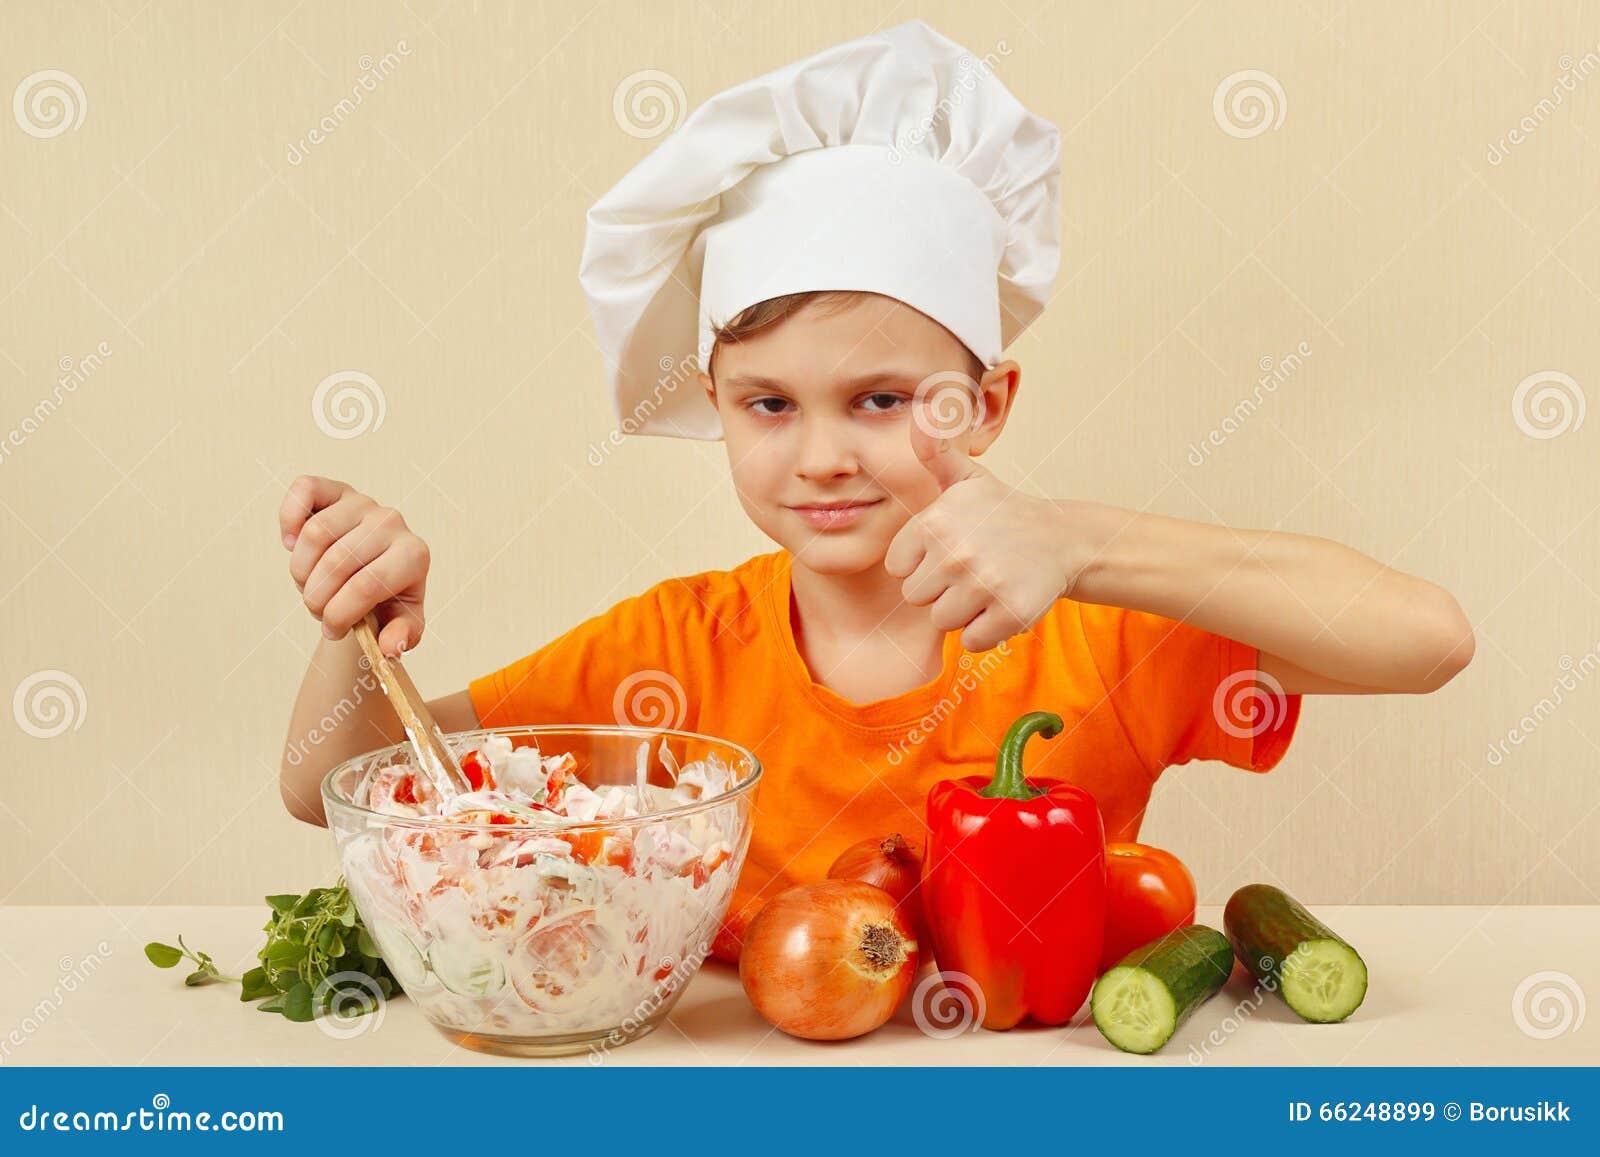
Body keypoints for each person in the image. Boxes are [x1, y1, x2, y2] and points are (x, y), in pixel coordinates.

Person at [276, 21, 1473, 951]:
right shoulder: (673, 653)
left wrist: (1079, 539)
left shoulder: (1093, 630)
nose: (823, 456)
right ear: (715, 402)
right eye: (768, 404)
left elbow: (1425, 638)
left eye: (883, 400)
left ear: (988, 406)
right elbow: (330, 786)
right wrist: (354, 622)